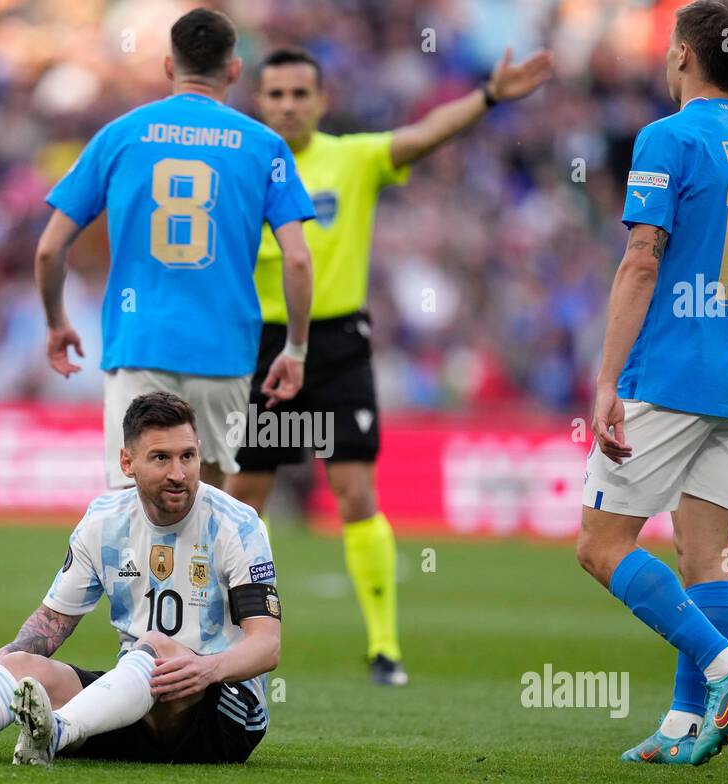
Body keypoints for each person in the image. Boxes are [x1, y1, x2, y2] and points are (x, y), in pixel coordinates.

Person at [226, 44, 552, 686]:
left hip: (339, 345)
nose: (289, 105)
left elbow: (425, 135)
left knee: (354, 494)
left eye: (301, 94)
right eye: (277, 95)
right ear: (258, 101)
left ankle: (384, 648)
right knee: (245, 501)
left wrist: (487, 95)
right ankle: (229, 637)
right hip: (261, 347)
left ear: (322, 101)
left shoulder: (352, 157)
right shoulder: (241, 165)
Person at [574, 0, 728, 765]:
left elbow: (644, 256)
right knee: (704, 559)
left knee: (600, 545)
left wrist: (606, 380)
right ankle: (681, 726)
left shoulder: (666, 138)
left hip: (671, 373)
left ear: (679, 56)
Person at [0, 391, 282, 765]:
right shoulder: (104, 520)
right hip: (132, 702)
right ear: (127, 462)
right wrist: (4, 655)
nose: (179, 473)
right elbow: (53, 622)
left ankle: (56, 730)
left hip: (222, 711)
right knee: (22, 668)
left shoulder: (237, 525)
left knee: (157, 648)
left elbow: (267, 644)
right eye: (161, 458)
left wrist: (206, 669)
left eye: (188, 456)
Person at [35, 7, 315, 489]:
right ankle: (197, 570)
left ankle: (136, 571)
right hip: (224, 351)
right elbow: (297, 258)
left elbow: (48, 249)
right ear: (233, 70)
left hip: (140, 342)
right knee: (201, 505)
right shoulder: (265, 146)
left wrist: (58, 323)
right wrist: (295, 347)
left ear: (169, 66)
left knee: (134, 499)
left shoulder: (120, 135)